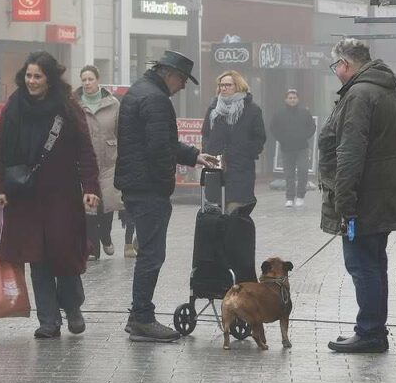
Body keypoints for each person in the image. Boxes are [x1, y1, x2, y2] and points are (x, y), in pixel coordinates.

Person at [0, 52, 102, 339]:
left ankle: (73, 307)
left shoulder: (67, 107)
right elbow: (0, 150)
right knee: (37, 258)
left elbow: (85, 151)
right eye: (28, 75)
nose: (31, 81)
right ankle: (48, 320)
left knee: (63, 254)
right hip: (25, 195)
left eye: (37, 76)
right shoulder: (13, 107)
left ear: (50, 78)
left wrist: (90, 187)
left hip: (62, 195)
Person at [114, 50, 220, 343]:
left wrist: (195, 156)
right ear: (169, 74)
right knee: (151, 255)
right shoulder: (156, 99)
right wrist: (164, 186)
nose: (184, 85)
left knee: (148, 252)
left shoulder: (138, 91)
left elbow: (162, 142)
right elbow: (160, 149)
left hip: (136, 185)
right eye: (183, 79)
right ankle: (142, 319)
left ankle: (139, 316)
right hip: (149, 189)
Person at [318, 38, 396, 355]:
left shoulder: (359, 94)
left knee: (362, 265)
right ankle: (372, 329)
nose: (336, 73)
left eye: (336, 67)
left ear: (345, 64)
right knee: (374, 263)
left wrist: (346, 205)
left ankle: (370, 331)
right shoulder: (386, 89)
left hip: (365, 198)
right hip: (383, 194)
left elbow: (349, 155)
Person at [200, 70, 266, 213]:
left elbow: (259, 138)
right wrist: (208, 150)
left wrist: (246, 152)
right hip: (216, 166)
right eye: (221, 85)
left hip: (241, 168)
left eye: (228, 85)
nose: (223, 88)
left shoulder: (252, 109)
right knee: (215, 210)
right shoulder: (213, 108)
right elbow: (205, 133)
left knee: (235, 211)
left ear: (238, 86)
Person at [78, 65, 124, 260]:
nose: (87, 83)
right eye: (84, 80)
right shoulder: (75, 104)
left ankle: (105, 236)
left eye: (90, 79)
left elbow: (121, 130)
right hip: (85, 161)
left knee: (108, 203)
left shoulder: (113, 103)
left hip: (109, 160)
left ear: (98, 80)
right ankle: (92, 248)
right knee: (89, 206)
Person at [270, 88, 315, 208]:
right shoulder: (279, 113)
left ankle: (300, 196)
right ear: (286, 99)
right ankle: (289, 197)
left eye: (294, 98)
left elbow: (312, 127)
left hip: (302, 148)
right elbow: (273, 128)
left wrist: (304, 136)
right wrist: (281, 139)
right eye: (290, 98)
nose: (292, 100)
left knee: (303, 170)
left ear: (298, 99)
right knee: (289, 174)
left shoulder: (304, 113)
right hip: (286, 148)